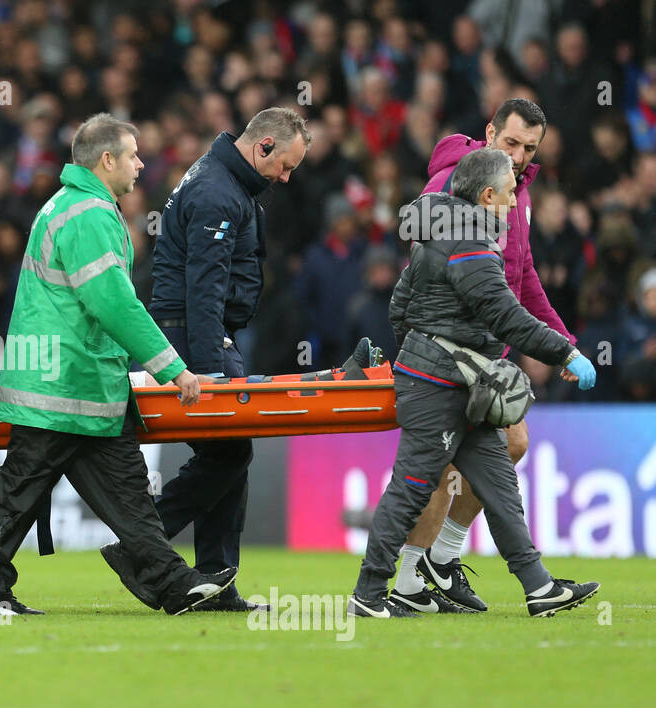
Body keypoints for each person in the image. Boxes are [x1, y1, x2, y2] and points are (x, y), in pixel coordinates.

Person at [0, 113, 236, 617]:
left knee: (123, 496)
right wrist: (172, 367)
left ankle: (171, 585)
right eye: (133, 154)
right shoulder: (89, 213)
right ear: (106, 159)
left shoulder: (70, 207)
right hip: (64, 381)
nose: (141, 163)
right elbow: (112, 302)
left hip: (78, 382)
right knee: (24, 491)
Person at [351, 148, 599, 618]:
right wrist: (564, 351)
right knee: (412, 488)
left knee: (499, 486)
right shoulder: (470, 240)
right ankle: (368, 593)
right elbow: (503, 315)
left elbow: (399, 308)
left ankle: (538, 586)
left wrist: (422, 351)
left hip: (460, 385)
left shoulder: (436, 232)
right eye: (509, 194)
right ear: (487, 195)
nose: (513, 203)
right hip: (440, 388)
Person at [100, 107, 308, 612]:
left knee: (227, 454)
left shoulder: (222, 179)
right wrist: (211, 365)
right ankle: (143, 545)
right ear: (262, 146)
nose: (285, 177)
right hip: (192, 331)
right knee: (231, 451)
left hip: (198, 329)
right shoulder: (218, 192)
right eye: (284, 165)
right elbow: (205, 287)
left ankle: (212, 577)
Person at [396, 98, 577, 613]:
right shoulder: (454, 180)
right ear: (490, 131)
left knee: (505, 446)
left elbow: (524, 278)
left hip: (487, 349)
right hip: (450, 349)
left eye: (530, 148)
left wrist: (562, 342)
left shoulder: (517, 193)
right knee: (442, 466)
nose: (519, 156)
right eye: (512, 142)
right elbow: (423, 253)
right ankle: (412, 577)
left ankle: (435, 565)